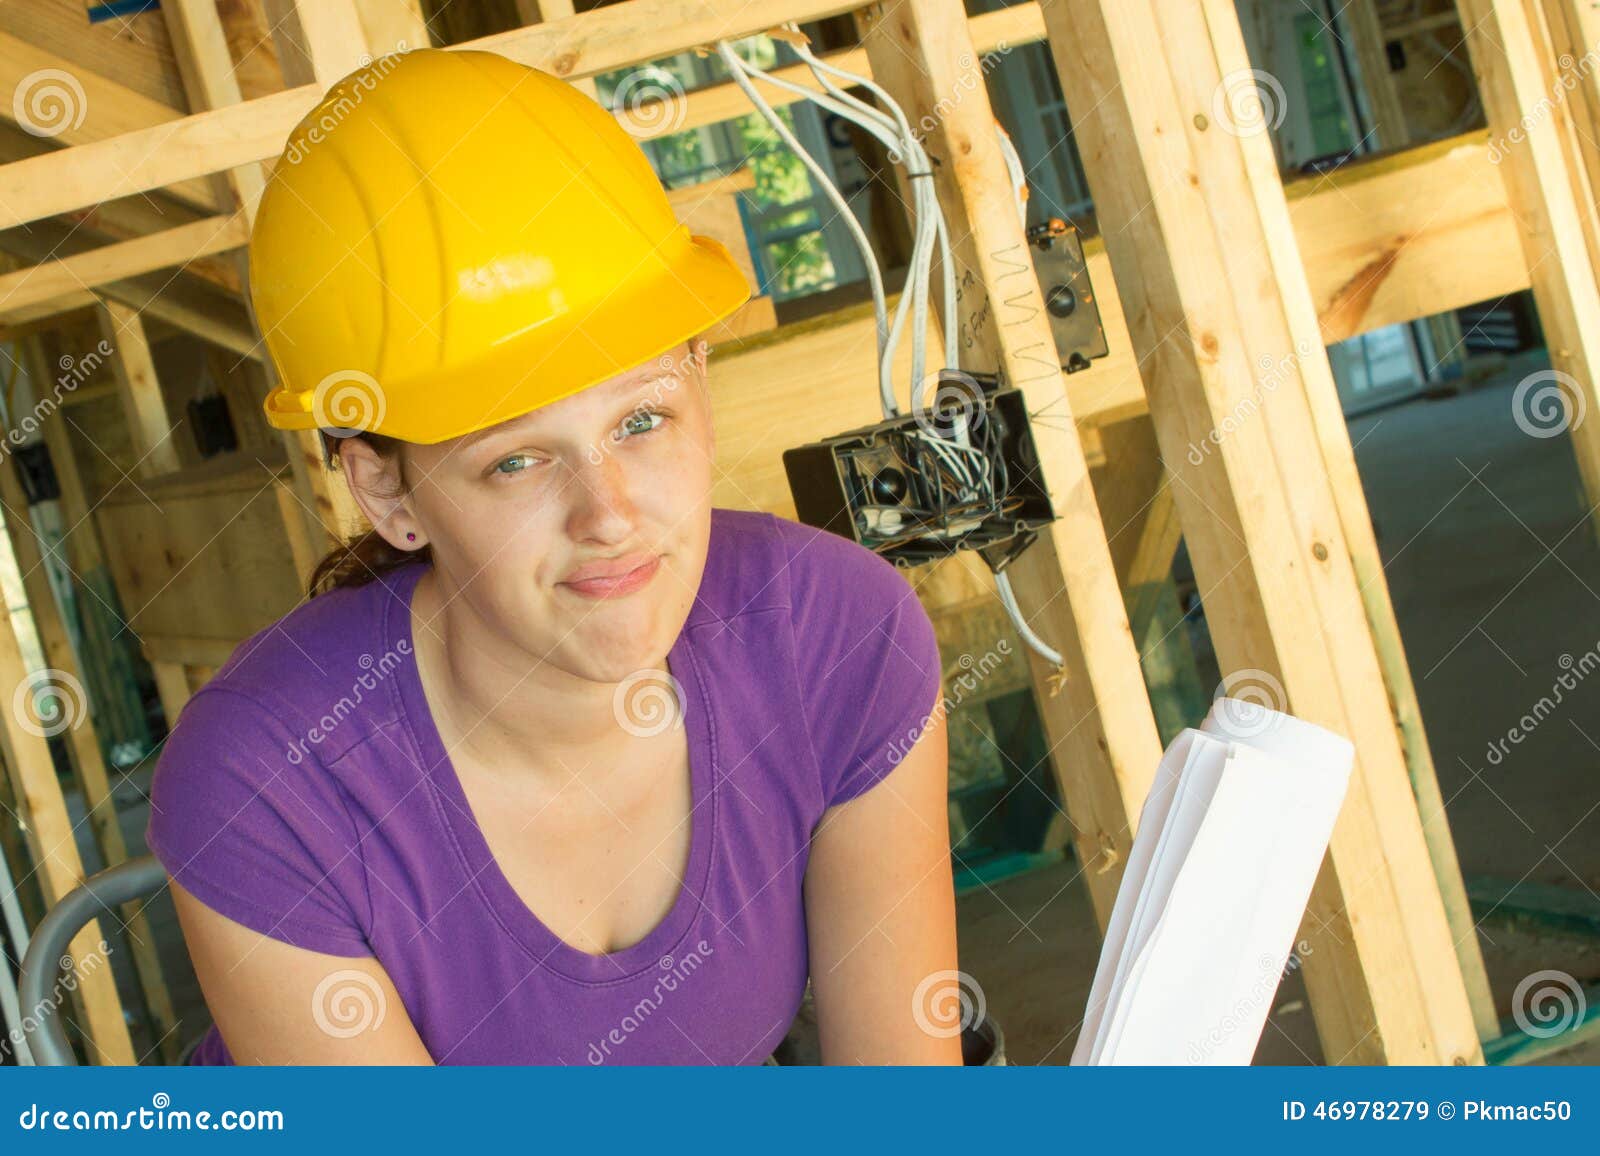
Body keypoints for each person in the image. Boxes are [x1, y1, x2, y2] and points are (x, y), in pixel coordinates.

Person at [145, 47, 960, 1065]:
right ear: (388, 490)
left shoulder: (834, 636)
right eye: (517, 460)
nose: (608, 515)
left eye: (642, 420)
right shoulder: (270, 781)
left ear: (701, 382)